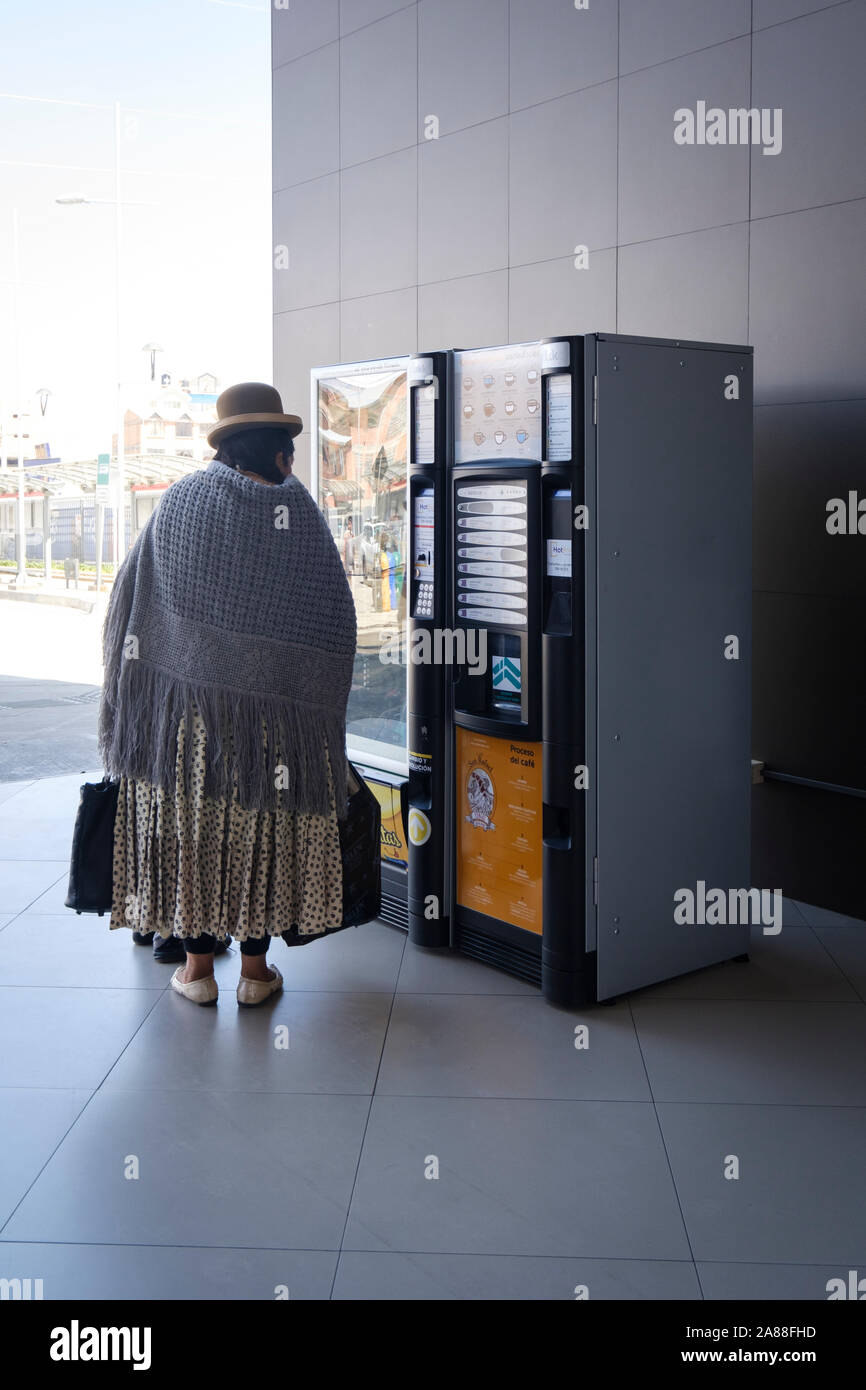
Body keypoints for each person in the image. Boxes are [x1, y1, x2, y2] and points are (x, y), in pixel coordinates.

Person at [99, 382, 357, 1006]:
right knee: (262, 835)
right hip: (274, 727)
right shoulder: (297, 511)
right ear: (277, 452)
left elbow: (135, 595)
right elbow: (336, 620)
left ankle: (196, 970)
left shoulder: (182, 500)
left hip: (190, 719)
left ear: (224, 443)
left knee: (194, 831)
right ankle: (255, 972)